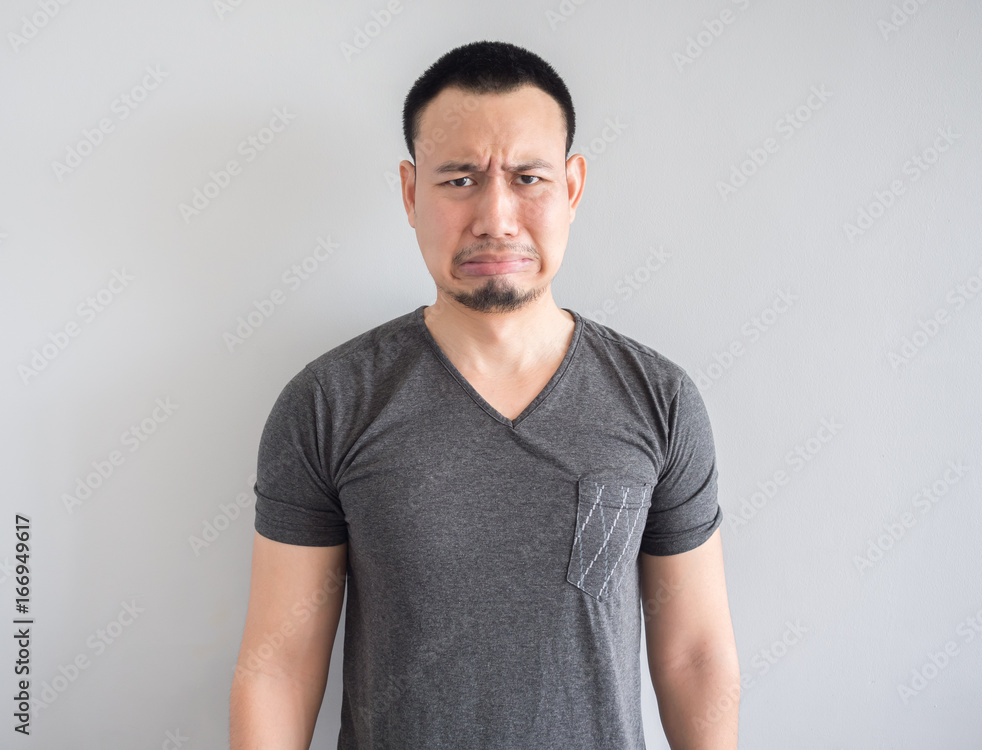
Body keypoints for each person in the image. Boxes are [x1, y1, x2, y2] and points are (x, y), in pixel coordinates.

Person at [230, 40, 740, 750]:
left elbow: (696, 658)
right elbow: (277, 668)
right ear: (412, 193)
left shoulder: (659, 400)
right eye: (460, 180)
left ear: (572, 185)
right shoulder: (329, 403)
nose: (496, 217)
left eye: (528, 177)